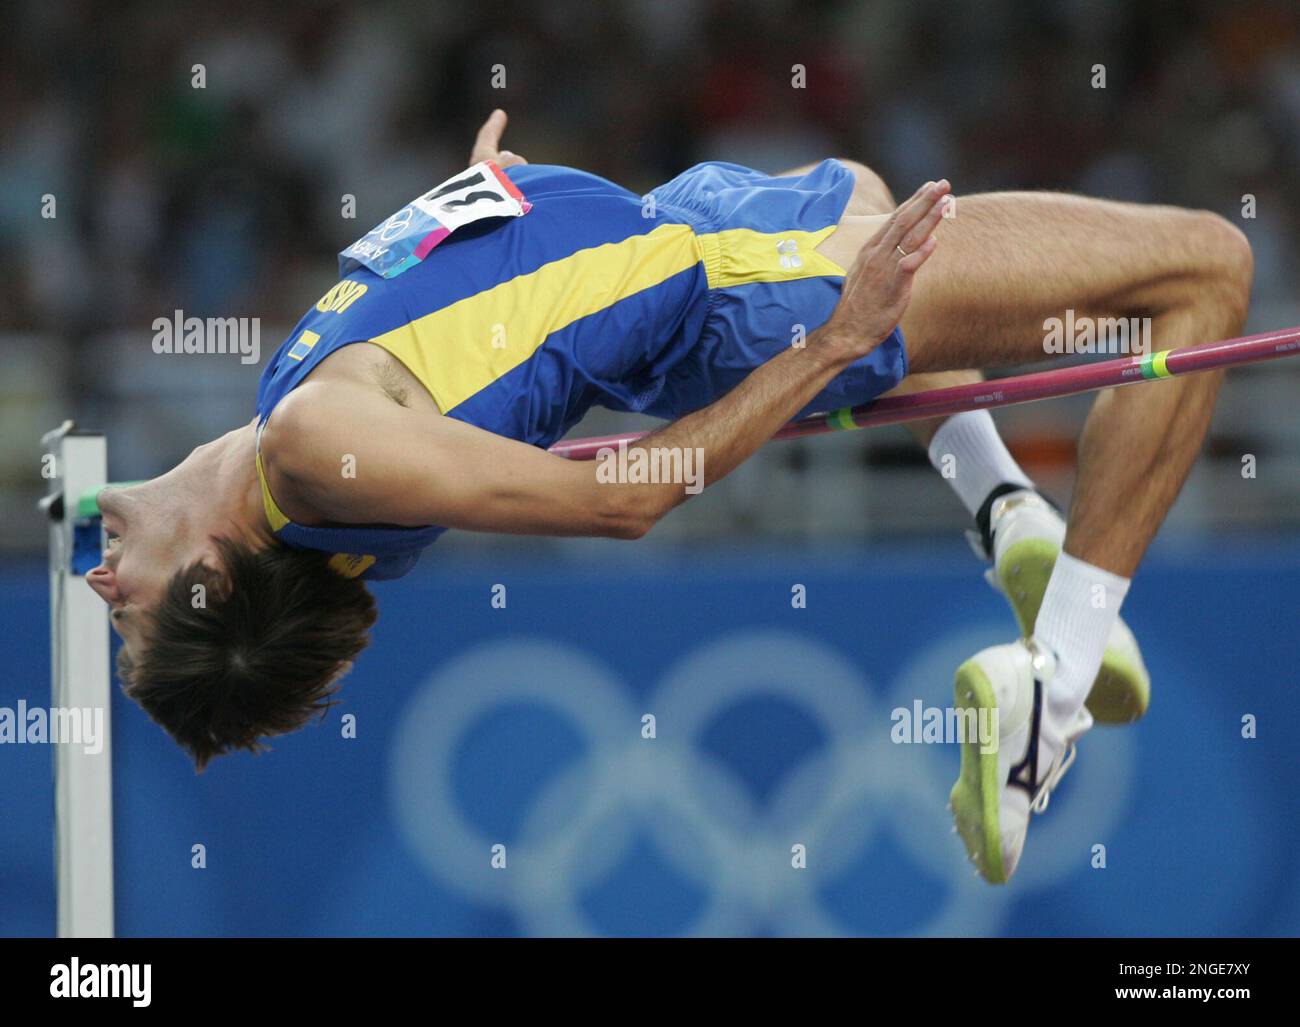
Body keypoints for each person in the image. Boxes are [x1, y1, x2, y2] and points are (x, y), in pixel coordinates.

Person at [87, 110, 1252, 883]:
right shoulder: (306, 450)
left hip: (693, 225)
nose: (98, 575)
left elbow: (470, 343)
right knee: (1202, 270)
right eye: (124, 609)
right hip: (753, 300)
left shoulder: (283, 444)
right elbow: (623, 502)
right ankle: (1048, 702)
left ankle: (1008, 519)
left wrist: (489, 193)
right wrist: (831, 342)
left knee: (861, 178)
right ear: (207, 576)